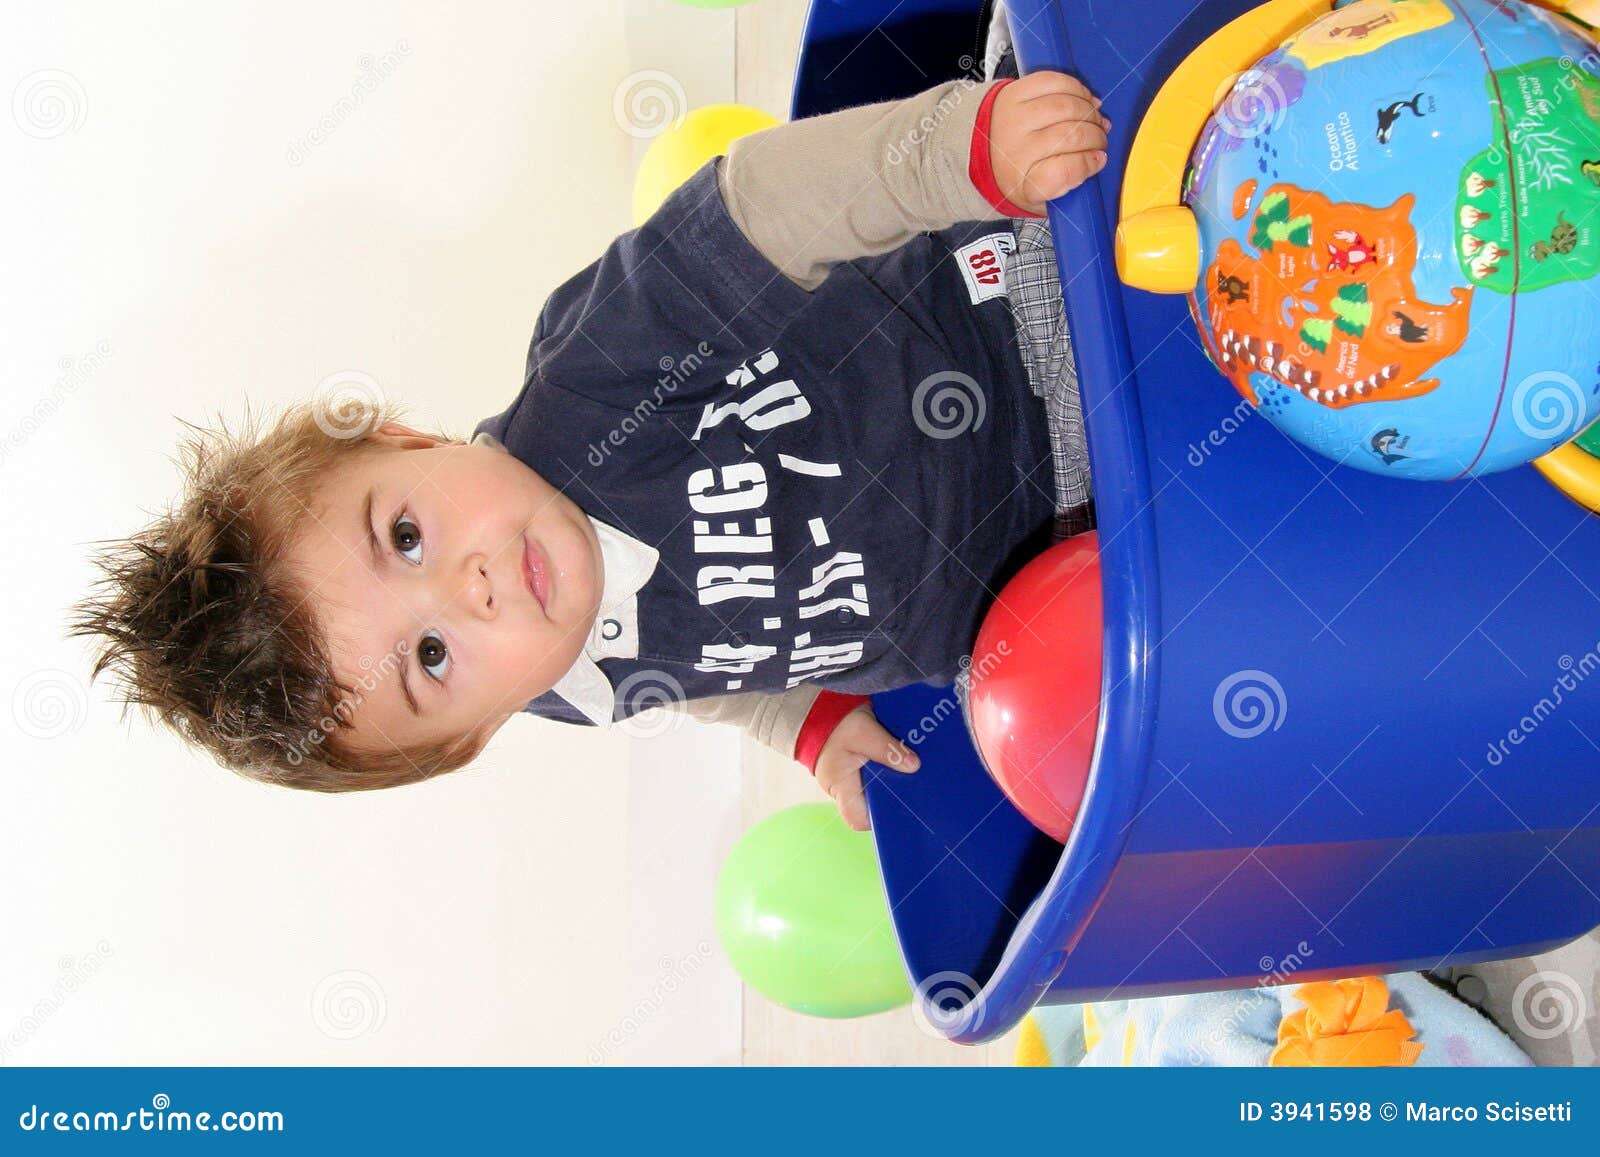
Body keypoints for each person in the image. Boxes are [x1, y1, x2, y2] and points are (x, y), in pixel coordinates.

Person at [70, 41, 1108, 832]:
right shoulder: (569, 684)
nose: (468, 590)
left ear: (410, 441)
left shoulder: (597, 376)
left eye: (406, 538)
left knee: (1111, 146)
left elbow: (758, 208)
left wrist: (956, 155)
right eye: (431, 657)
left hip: (1017, 331)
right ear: (476, 732)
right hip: (1037, 595)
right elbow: (709, 675)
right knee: (1091, 764)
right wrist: (806, 723)